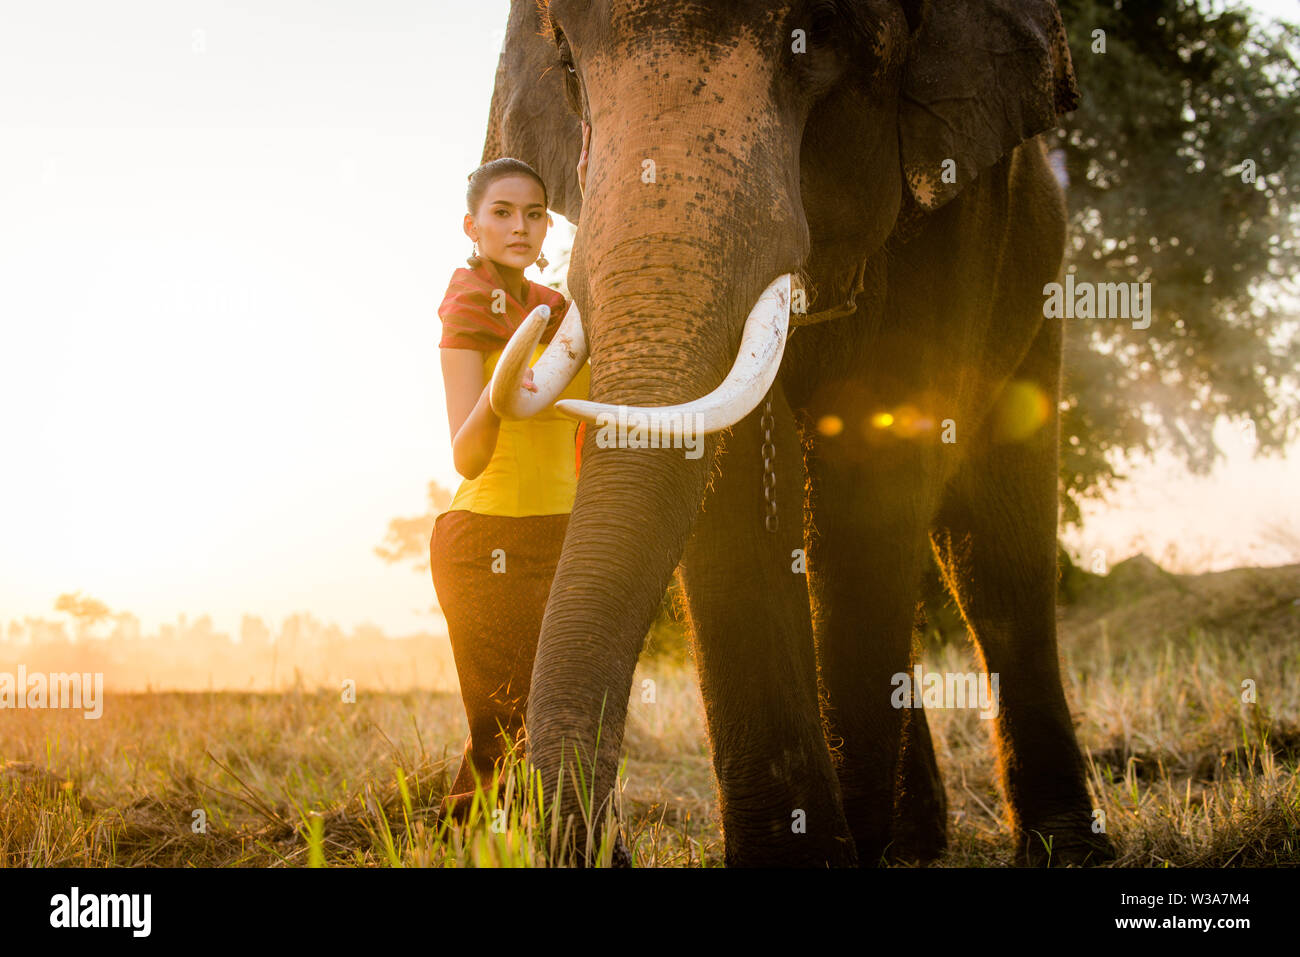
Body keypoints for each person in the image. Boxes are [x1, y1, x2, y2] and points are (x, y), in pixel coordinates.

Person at [430, 129, 591, 822]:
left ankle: (568, 838)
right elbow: (465, 456)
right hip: (486, 540)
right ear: (473, 224)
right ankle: (486, 842)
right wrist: (504, 387)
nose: (519, 226)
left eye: (534, 213)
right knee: (505, 734)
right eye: (502, 212)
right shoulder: (466, 311)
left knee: (568, 717)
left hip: (569, 540)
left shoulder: (563, 311)